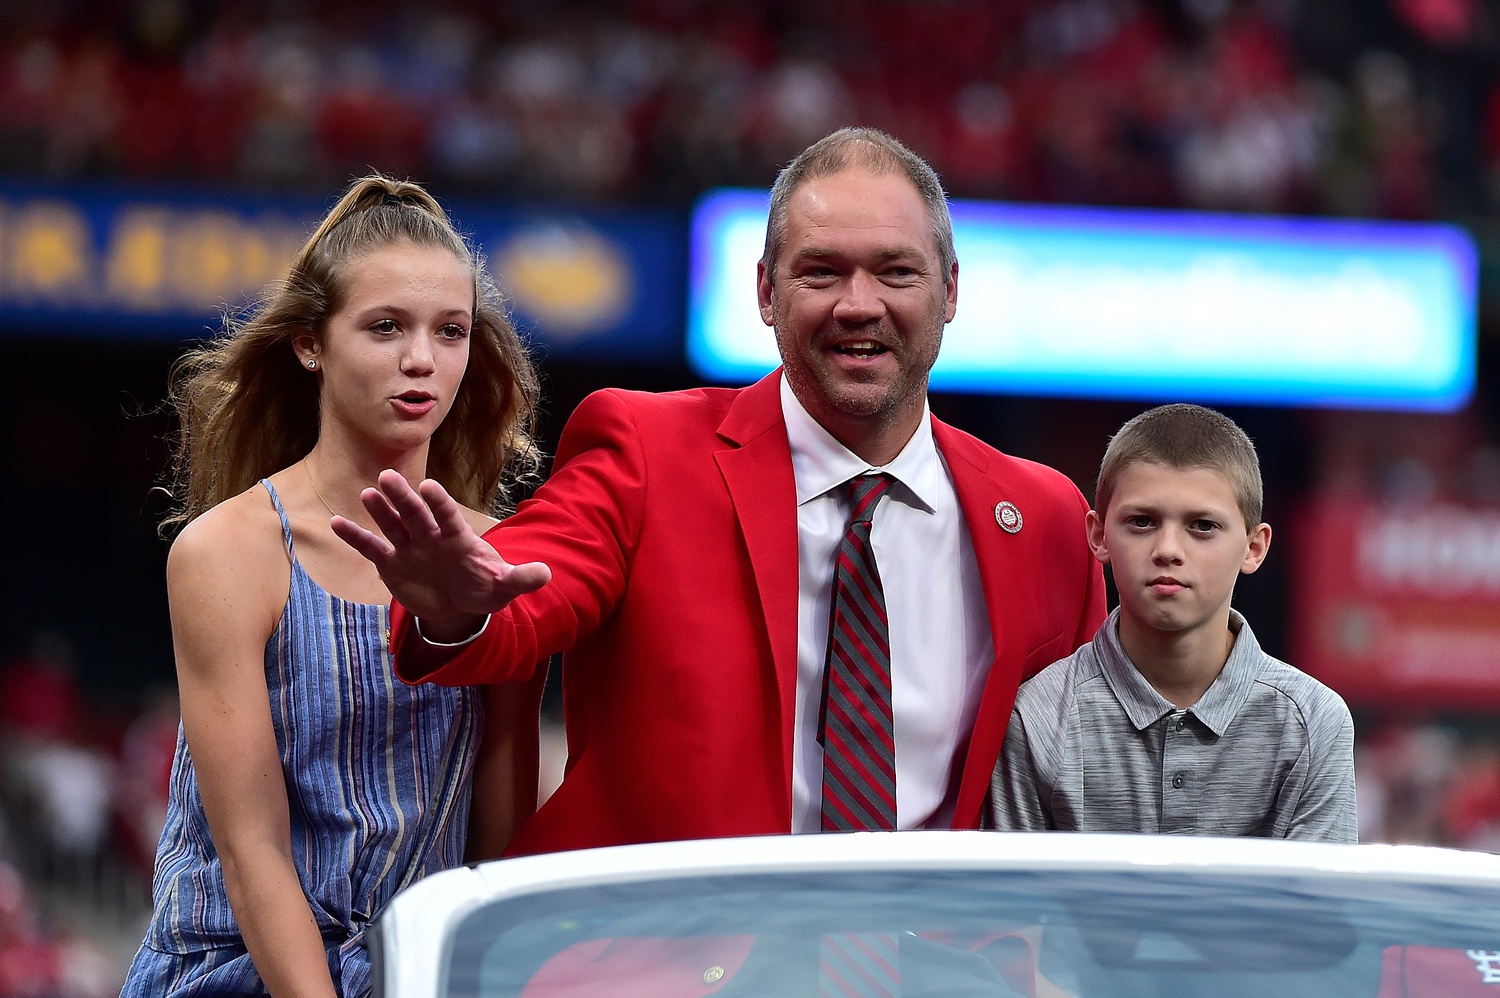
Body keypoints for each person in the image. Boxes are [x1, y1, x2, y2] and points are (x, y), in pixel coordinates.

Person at [336, 126, 1107, 856]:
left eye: (895, 271)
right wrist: (456, 607)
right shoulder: (645, 450)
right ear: (767, 291)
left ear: (950, 290)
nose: (859, 304)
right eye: (822, 271)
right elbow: (523, 594)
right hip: (676, 964)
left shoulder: (1044, 518)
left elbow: (1089, 772)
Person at [120, 175, 544, 997]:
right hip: (229, 974)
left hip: (417, 974)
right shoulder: (227, 552)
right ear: (311, 342)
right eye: (385, 327)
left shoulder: (499, 560)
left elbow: (499, 847)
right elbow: (252, 852)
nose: (422, 359)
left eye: (450, 331)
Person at [988, 403, 1357, 840]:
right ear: (1099, 535)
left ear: (1253, 548)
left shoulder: (1313, 723)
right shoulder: (1036, 718)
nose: (1167, 549)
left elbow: (1313, 908)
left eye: (1202, 526)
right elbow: (1021, 905)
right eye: (1141, 521)